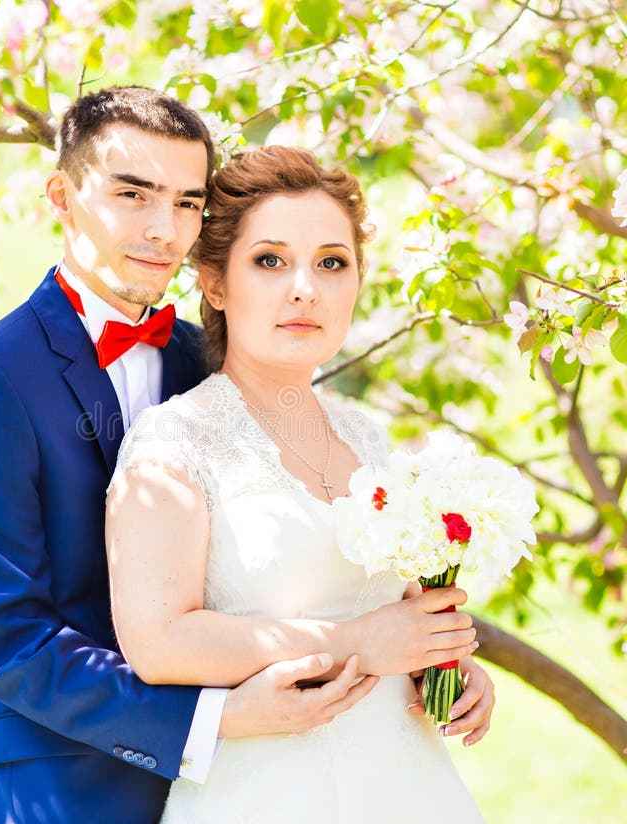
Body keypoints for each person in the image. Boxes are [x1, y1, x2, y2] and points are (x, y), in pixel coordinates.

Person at [0, 87, 390, 824]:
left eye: (185, 204)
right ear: (62, 195)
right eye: (133, 194)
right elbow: (9, 643)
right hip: (60, 786)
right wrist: (213, 720)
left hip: (249, 780)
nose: (162, 230)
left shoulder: (210, 359)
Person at [106, 146, 492, 822]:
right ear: (215, 284)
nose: (304, 288)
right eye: (271, 261)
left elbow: (398, 610)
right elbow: (158, 643)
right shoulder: (174, 442)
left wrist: (445, 661)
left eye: (331, 263)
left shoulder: (366, 436)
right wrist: (353, 642)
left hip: (408, 784)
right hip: (265, 790)